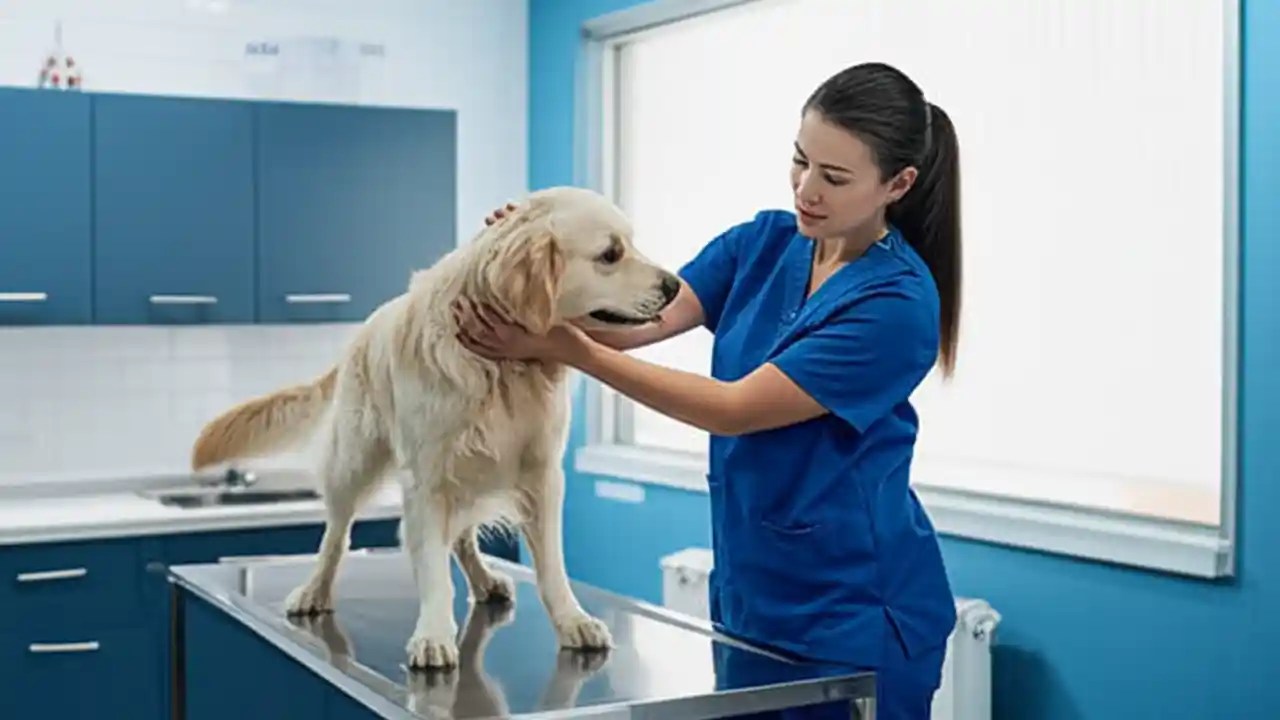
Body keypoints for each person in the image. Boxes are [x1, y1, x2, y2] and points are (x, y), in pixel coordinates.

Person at [455, 61, 961, 720]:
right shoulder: (764, 241)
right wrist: (536, 266)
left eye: (833, 178)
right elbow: (640, 322)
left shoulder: (896, 303)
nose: (806, 189)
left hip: (856, 618)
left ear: (898, 183)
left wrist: (561, 347)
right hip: (754, 601)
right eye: (800, 161)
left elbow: (734, 410)